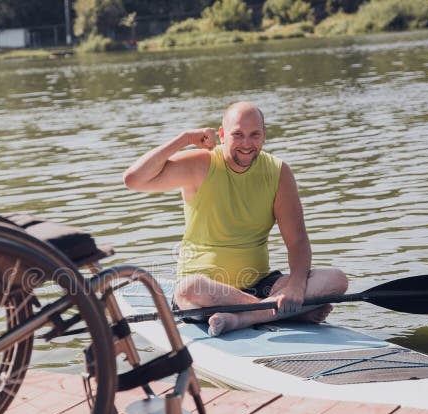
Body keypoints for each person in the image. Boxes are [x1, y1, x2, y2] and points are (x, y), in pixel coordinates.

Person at [123, 101, 348, 336]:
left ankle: (244, 319)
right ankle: (282, 311)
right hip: (208, 294)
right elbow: (133, 179)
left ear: (264, 135)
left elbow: (297, 241)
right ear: (221, 135)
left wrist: (295, 286)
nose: (247, 144)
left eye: (254, 135)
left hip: (262, 285)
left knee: (336, 279)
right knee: (189, 288)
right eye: (238, 135)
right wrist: (184, 138)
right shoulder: (201, 164)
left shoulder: (278, 172)